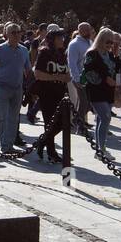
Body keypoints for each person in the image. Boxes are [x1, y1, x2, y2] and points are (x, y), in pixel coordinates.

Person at [0, 23, 31, 154]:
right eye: (13, 32)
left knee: (14, 118)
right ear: (6, 35)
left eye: (18, 32)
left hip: (18, 88)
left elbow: (28, 70)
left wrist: (31, 88)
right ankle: (5, 146)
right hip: (2, 87)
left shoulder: (24, 50)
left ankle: (9, 144)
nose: (17, 35)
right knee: (3, 117)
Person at [31, 26, 70, 162]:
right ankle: (51, 152)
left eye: (63, 37)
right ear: (53, 39)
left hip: (60, 93)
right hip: (47, 93)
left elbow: (66, 72)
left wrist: (67, 77)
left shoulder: (62, 53)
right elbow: (38, 74)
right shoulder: (44, 53)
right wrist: (57, 77)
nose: (62, 40)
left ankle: (42, 142)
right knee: (50, 123)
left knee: (63, 123)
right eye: (59, 38)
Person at [82, 27, 121, 153]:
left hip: (108, 90)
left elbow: (117, 68)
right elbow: (89, 69)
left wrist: (116, 55)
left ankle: (100, 148)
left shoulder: (109, 54)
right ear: (101, 40)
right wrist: (105, 77)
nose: (110, 45)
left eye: (112, 42)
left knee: (102, 118)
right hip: (96, 90)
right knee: (105, 117)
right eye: (107, 42)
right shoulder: (92, 53)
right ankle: (101, 149)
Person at [67, 23, 93, 136]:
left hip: (90, 79)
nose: (89, 32)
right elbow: (72, 63)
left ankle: (77, 120)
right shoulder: (74, 44)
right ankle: (80, 126)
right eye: (87, 30)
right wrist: (76, 79)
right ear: (81, 31)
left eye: (89, 30)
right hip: (80, 79)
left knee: (89, 103)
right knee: (83, 102)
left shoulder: (90, 42)